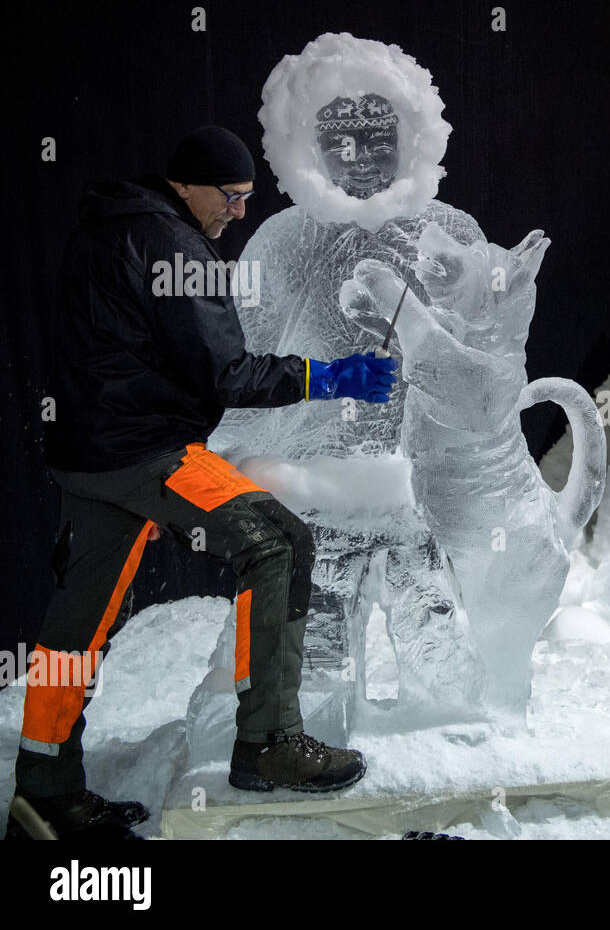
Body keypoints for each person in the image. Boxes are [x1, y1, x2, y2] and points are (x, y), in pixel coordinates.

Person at [5, 125, 397, 840]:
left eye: (249, 197)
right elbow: (227, 373)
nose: (240, 212)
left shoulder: (107, 225)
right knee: (279, 541)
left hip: (86, 454)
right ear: (189, 184)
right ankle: (269, 742)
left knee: (75, 627)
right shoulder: (174, 245)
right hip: (143, 451)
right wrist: (330, 375)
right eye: (233, 195)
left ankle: (44, 791)